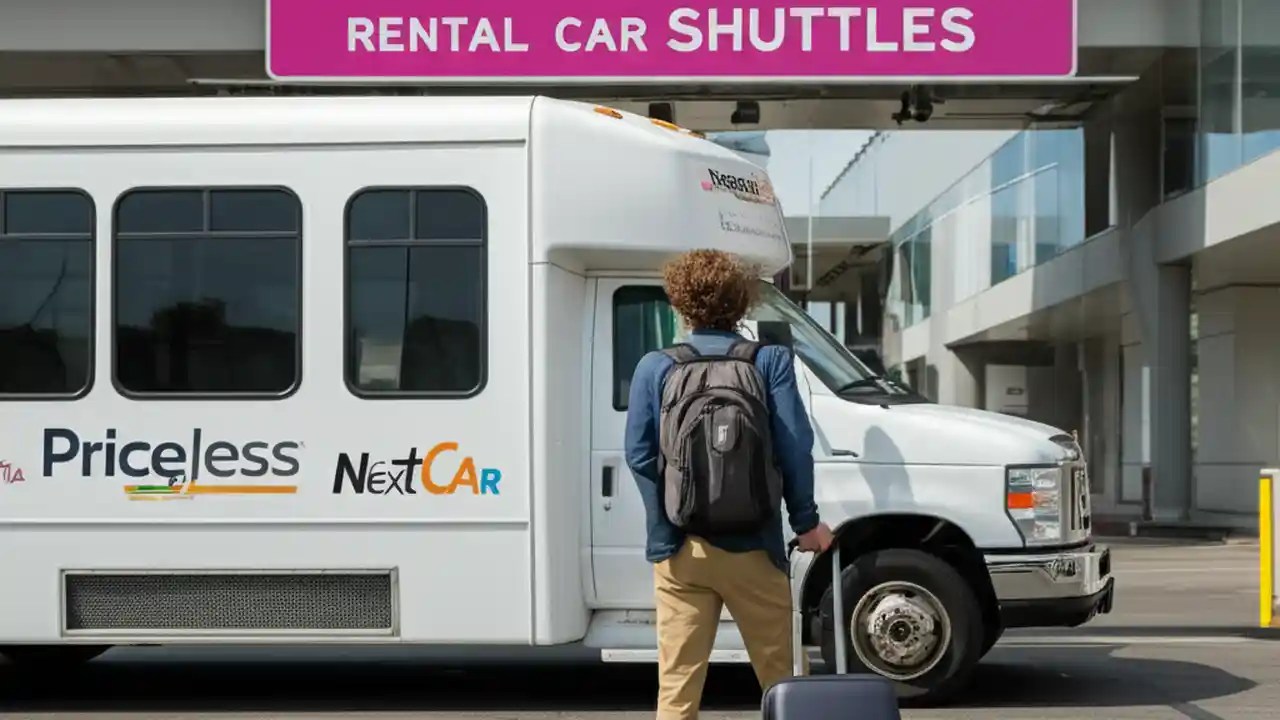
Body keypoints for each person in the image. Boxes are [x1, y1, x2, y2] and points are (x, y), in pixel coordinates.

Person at [624, 248, 835, 720]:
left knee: (677, 689)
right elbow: (794, 446)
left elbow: (639, 455)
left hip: (684, 554)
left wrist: (665, 533)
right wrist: (806, 523)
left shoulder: (656, 366)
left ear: (681, 302)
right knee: (783, 680)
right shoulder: (770, 361)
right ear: (741, 302)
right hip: (756, 547)